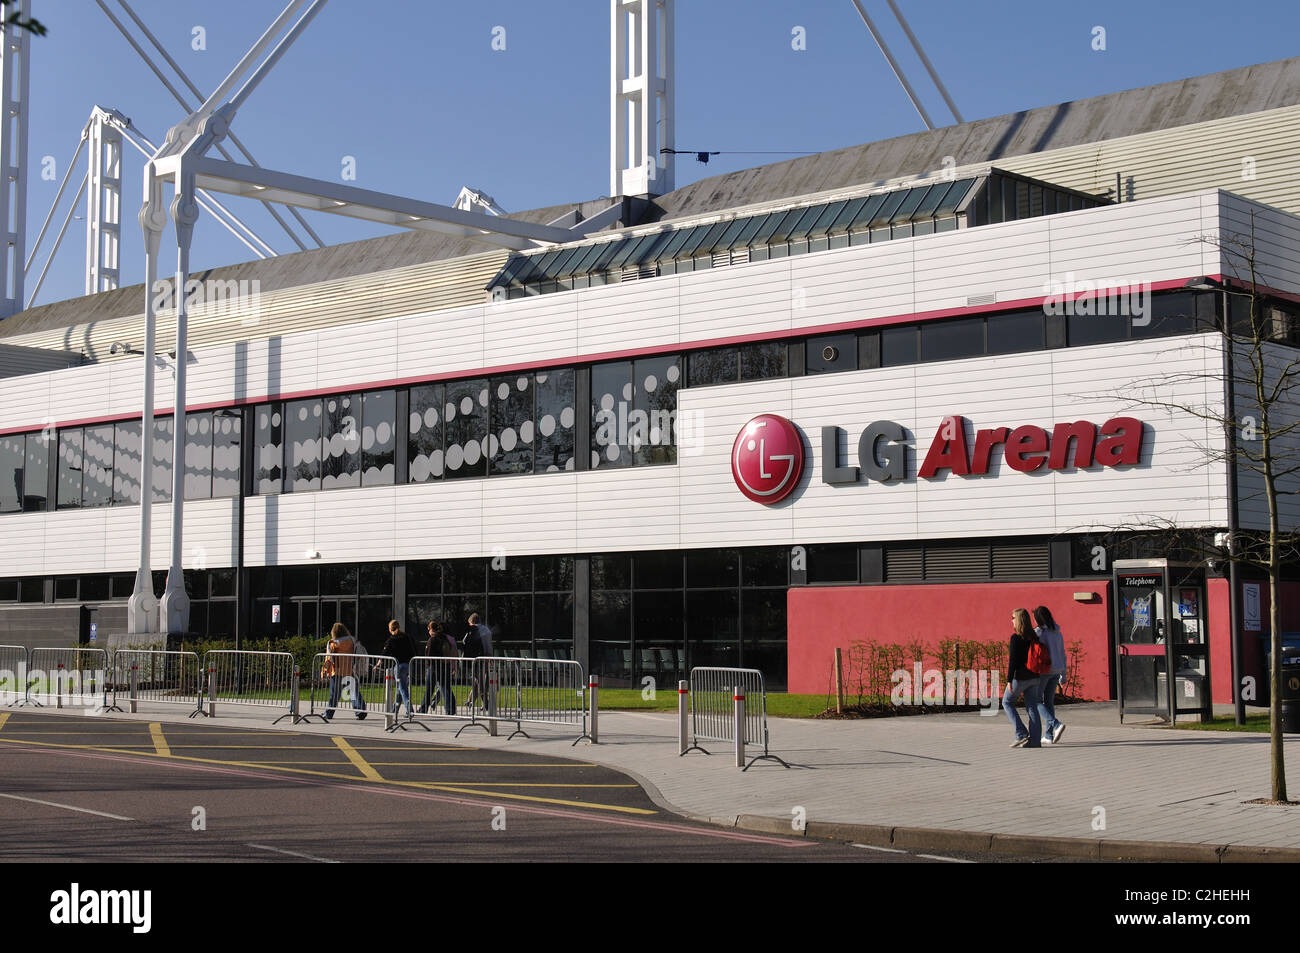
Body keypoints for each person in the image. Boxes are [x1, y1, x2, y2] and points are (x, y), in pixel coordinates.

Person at [1001, 607, 1044, 748]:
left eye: (1013, 618)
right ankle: (1035, 741)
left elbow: (1013, 660)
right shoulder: (1034, 637)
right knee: (1032, 707)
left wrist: (1009, 680)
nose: (1011, 620)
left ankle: (1021, 733)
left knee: (1007, 702)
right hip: (1034, 676)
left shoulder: (1016, 638)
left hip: (1020, 677)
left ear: (1019, 620)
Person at [1034, 605, 1067, 744]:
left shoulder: (1039, 633)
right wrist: (1063, 674)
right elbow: (1062, 653)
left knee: (1035, 701)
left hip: (1044, 670)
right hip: (1057, 670)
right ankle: (1048, 735)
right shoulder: (1057, 632)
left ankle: (1056, 724)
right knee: (1049, 702)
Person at [322, 622, 367, 720]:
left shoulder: (332, 643)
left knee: (334, 694)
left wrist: (324, 671)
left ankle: (329, 713)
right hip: (349, 669)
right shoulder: (352, 640)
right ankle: (360, 710)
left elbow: (328, 658)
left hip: (337, 670)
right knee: (353, 691)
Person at [378, 619, 417, 719]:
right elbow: (414, 649)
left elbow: (385, 652)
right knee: (400, 688)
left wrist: (379, 662)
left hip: (399, 666)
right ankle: (394, 710)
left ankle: (410, 710)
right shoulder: (407, 637)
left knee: (403, 689)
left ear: (390, 629)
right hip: (408, 665)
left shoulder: (392, 639)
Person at [419, 620, 458, 715]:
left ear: (431, 629)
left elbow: (429, 655)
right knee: (446, 688)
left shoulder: (432, 639)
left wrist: (427, 666)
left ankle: (423, 709)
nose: (428, 631)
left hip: (434, 668)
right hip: (445, 666)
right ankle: (451, 709)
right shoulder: (445, 638)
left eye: (428, 629)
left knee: (429, 689)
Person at [462, 612, 493, 708]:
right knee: (479, 679)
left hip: (473, 658)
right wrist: (490, 657)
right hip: (484, 657)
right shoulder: (486, 630)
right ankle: (471, 700)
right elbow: (488, 645)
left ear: (471, 622)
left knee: (479, 680)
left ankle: (485, 702)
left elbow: (464, 642)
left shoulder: (471, 630)